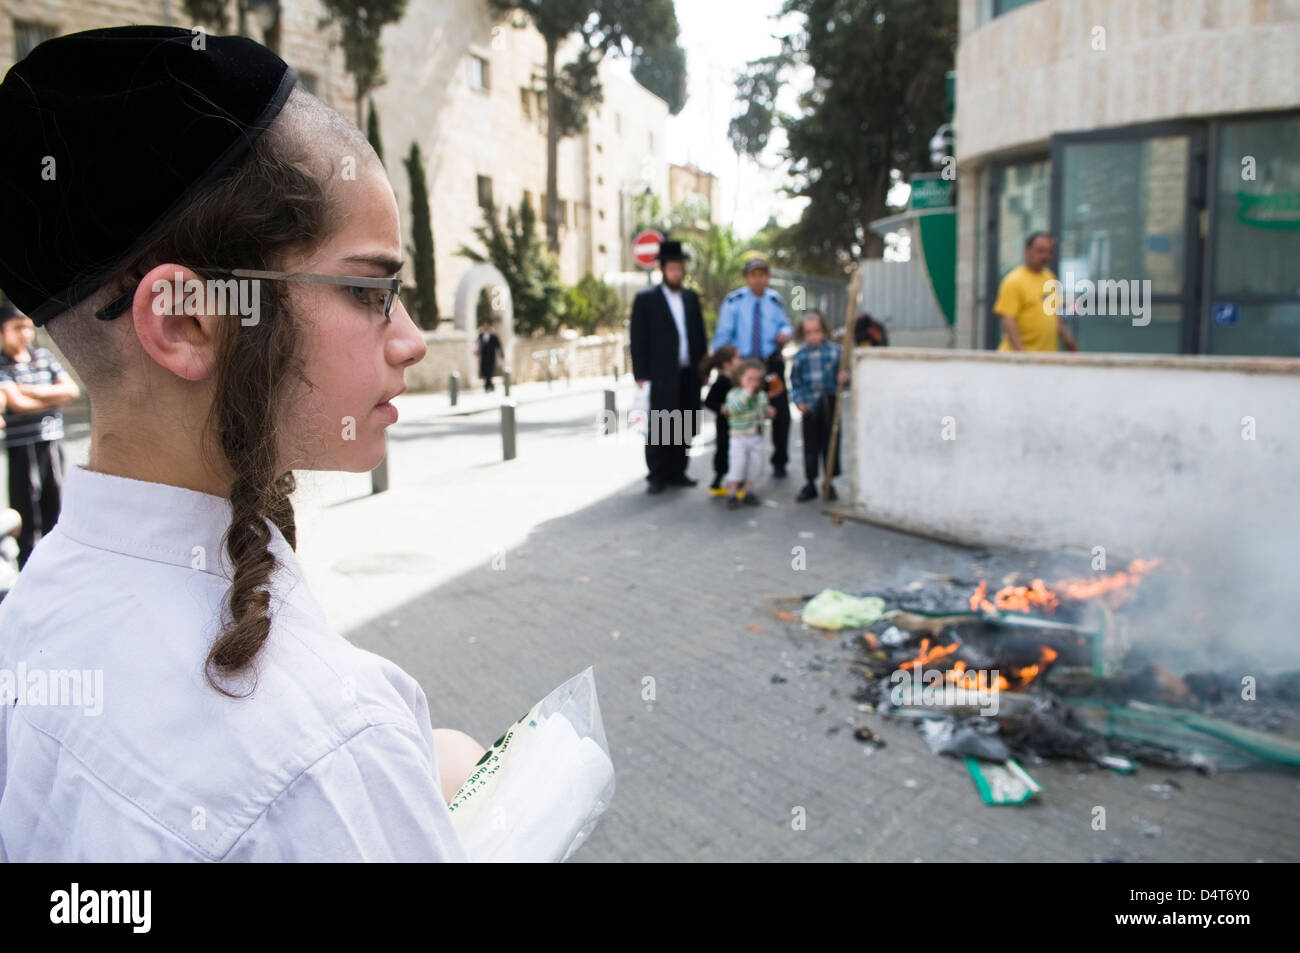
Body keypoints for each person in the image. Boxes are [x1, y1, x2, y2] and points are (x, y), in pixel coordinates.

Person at [0, 26, 481, 861]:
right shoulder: (322, 750)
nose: (410, 338)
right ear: (187, 319)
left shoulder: (32, 614)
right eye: (371, 289)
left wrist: (416, 772)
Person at [0, 303, 79, 567]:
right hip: (22, 446)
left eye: (27, 327)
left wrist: (25, 390)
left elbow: (70, 390)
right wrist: (51, 397)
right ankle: (28, 566)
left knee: (55, 502)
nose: (24, 334)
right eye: (16, 328)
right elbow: (17, 405)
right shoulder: (2, 364)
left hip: (51, 441)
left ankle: (57, 563)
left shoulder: (43, 357)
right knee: (26, 507)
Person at [629, 239, 707, 494]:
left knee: (684, 422)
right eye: (672, 268)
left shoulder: (691, 298)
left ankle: (678, 471)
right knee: (661, 425)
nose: (677, 272)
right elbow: (637, 339)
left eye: (680, 268)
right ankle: (657, 474)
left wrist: (703, 369)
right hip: (660, 375)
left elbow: (699, 335)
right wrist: (640, 374)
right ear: (662, 269)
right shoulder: (646, 299)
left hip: (688, 373)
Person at [711, 256, 794, 477]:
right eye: (753, 275)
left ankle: (779, 461)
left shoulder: (775, 300)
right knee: (736, 411)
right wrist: (726, 366)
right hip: (743, 367)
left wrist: (786, 332)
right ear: (746, 278)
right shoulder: (734, 301)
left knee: (780, 413)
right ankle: (727, 467)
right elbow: (722, 336)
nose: (758, 280)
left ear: (768, 277)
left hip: (769, 363)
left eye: (762, 275)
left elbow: (786, 323)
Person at [790, 312, 850, 503]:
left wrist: (844, 378)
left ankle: (829, 482)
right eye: (808, 333)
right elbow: (795, 381)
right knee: (810, 445)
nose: (813, 336)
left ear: (824, 330)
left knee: (831, 442)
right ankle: (810, 483)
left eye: (817, 331)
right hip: (810, 406)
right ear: (803, 334)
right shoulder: (800, 356)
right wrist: (799, 400)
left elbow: (845, 376)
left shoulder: (836, 352)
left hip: (829, 404)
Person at [995, 231, 1080, 352]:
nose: (1045, 256)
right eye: (1040, 251)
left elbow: (1055, 315)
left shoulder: (1049, 277)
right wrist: (1021, 356)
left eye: (1049, 252)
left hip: (1046, 359)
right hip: (1021, 360)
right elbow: (1008, 320)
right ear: (1027, 250)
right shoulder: (1013, 280)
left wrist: (1069, 341)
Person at [722, 360, 775, 509]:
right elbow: (733, 409)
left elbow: (762, 413)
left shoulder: (761, 396)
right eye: (749, 379)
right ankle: (732, 492)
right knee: (737, 465)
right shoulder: (735, 394)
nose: (754, 383)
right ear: (740, 378)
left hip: (756, 436)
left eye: (757, 379)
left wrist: (768, 413)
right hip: (739, 437)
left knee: (755, 465)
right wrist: (746, 394)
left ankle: (749, 490)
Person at [700, 345, 740, 497]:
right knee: (724, 451)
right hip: (724, 425)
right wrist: (723, 408)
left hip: (738, 426)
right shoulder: (722, 381)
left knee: (736, 453)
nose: (740, 361)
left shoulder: (738, 379)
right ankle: (719, 481)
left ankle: (734, 481)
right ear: (727, 363)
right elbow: (709, 401)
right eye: (737, 358)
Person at [475, 319, 504, 391]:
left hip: (491, 356)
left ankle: (488, 385)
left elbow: (498, 345)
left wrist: (501, 353)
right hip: (483, 356)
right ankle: (488, 384)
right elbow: (477, 344)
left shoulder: (493, 335)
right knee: (484, 370)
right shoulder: (481, 335)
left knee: (490, 370)